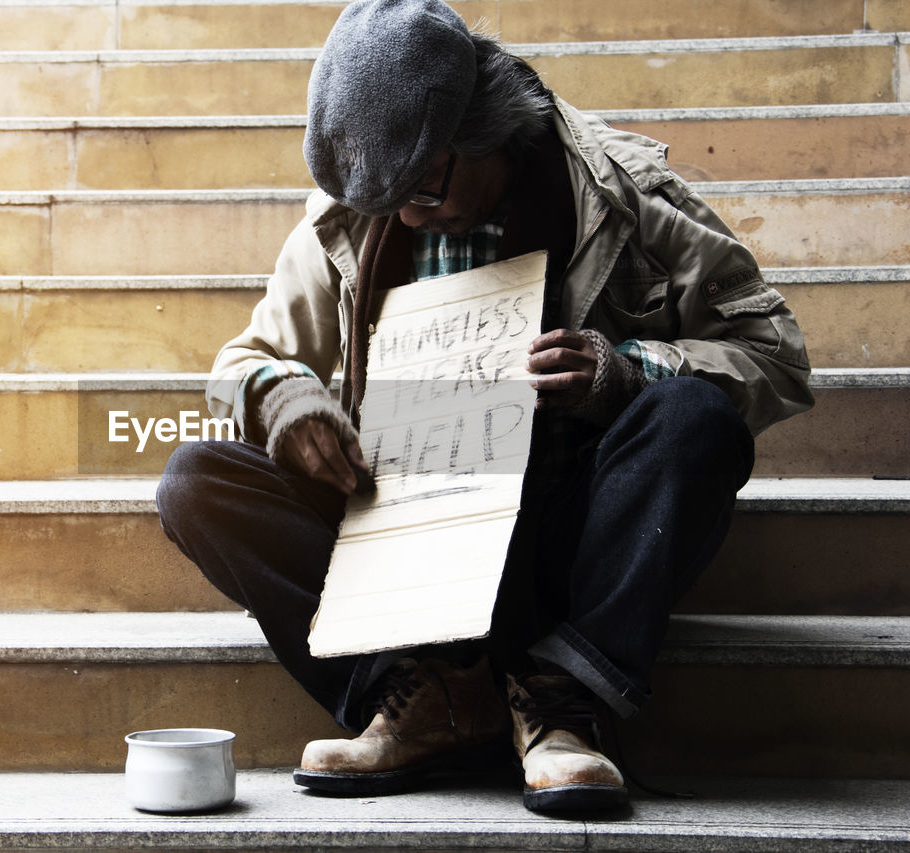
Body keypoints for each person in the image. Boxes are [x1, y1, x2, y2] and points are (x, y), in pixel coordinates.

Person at [155, 0, 813, 813]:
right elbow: (243, 361)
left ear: (486, 130)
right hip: (399, 525)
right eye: (390, 200)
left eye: (426, 191)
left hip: (558, 527)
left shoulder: (619, 189)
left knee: (692, 419)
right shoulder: (356, 213)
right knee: (195, 477)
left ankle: (565, 703)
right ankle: (422, 698)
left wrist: (626, 371)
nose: (405, 216)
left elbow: (776, 356)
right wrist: (288, 400)